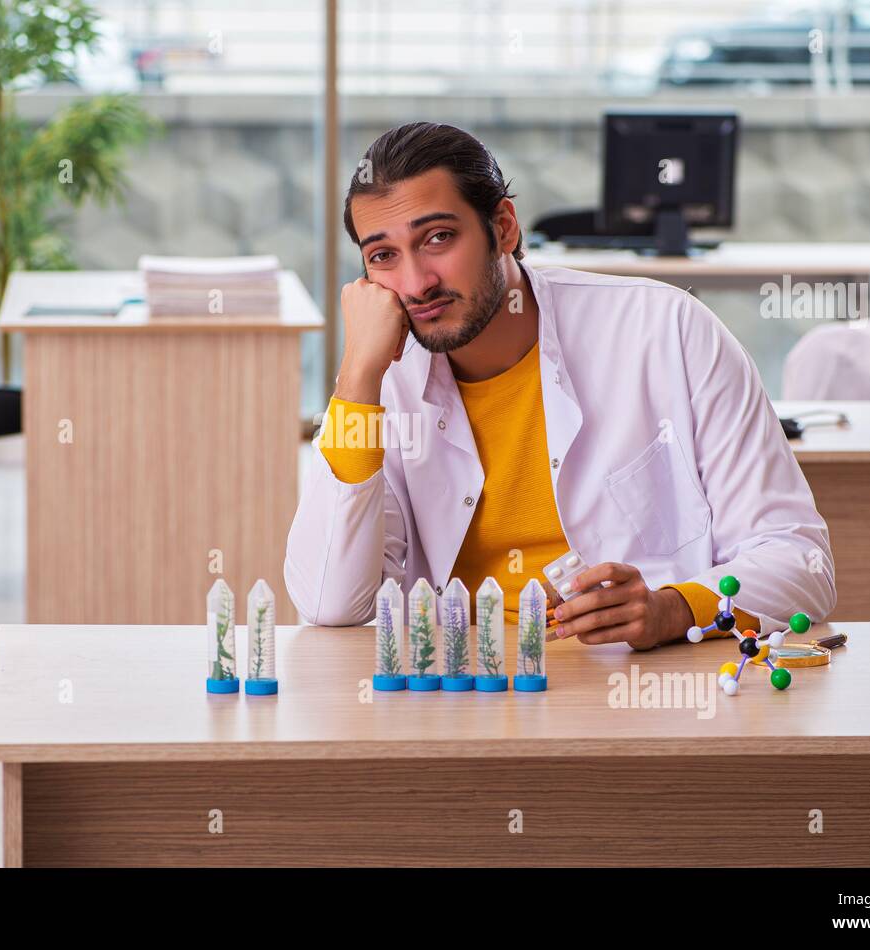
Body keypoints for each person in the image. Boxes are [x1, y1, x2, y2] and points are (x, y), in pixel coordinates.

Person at [284, 122, 835, 650]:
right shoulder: (384, 379)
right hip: (457, 689)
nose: (416, 283)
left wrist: (674, 609)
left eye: (438, 238)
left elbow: (798, 560)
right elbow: (331, 601)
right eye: (383, 256)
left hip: (636, 694)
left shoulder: (665, 328)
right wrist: (357, 375)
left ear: (503, 227)